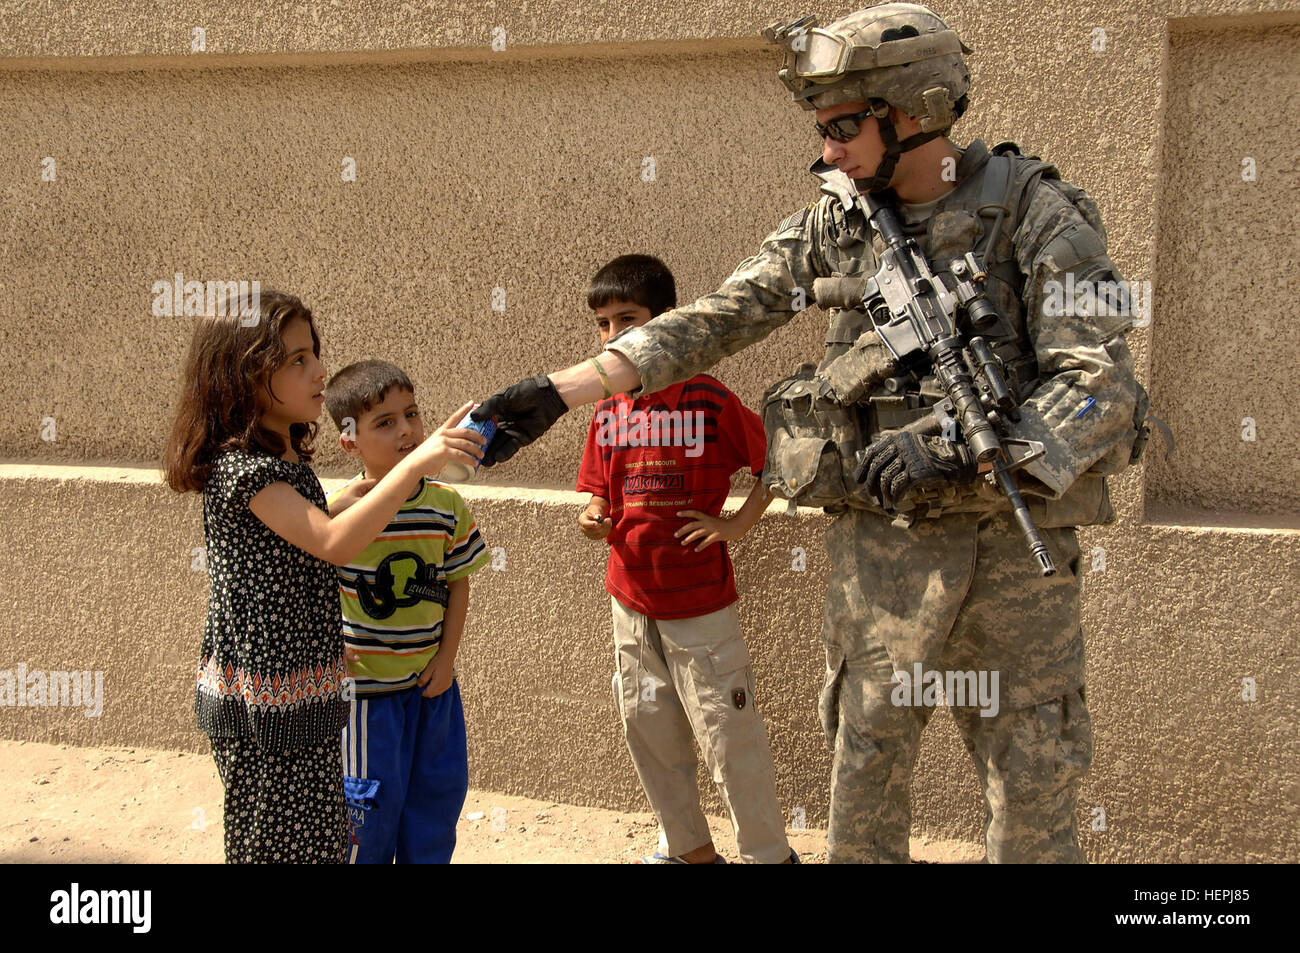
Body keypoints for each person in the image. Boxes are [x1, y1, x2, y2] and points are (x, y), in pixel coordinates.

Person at [470, 3, 1145, 863]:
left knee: (1032, 776)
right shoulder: (840, 219)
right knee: (864, 769)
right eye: (823, 129)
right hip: (883, 547)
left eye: (842, 128)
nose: (827, 150)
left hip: (1016, 552)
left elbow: (1103, 385)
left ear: (914, 112)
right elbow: (724, 313)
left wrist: (957, 445)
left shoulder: (1039, 214)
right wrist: (565, 390)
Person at [162, 292, 485, 863]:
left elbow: (298, 541)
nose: (318, 371)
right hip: (267, 698)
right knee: (276, 845)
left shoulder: (285, 462)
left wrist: (345, 501)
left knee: (320, 838)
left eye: (314, 353)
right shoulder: (248, 471)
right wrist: (414, 464)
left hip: (305, 684)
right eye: (297, 360)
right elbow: (332, 546)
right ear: (245, 375)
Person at [575, 255, 793, 864]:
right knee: (650, 731)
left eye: (628, 319)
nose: (614, 335)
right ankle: (689, 851)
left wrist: (737, 524)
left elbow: (777, 460)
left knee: (730, 740)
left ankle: (769, 855)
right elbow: (598, 486)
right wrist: (593, 515)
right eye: (603, 323)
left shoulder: (708, 397)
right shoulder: (607, 407)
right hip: (630, 602)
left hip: (700, 607)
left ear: (666, 321)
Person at [322, 360, 490, 863]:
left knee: (434, 804)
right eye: (385, 422)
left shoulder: (446, 505)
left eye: (411, 414)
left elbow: (457, 583)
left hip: (432, 691)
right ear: (349, 441)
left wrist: (446, 658)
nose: (407, 431)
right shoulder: (337, 512)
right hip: (365, 699)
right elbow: (314, 587)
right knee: (367, 816)